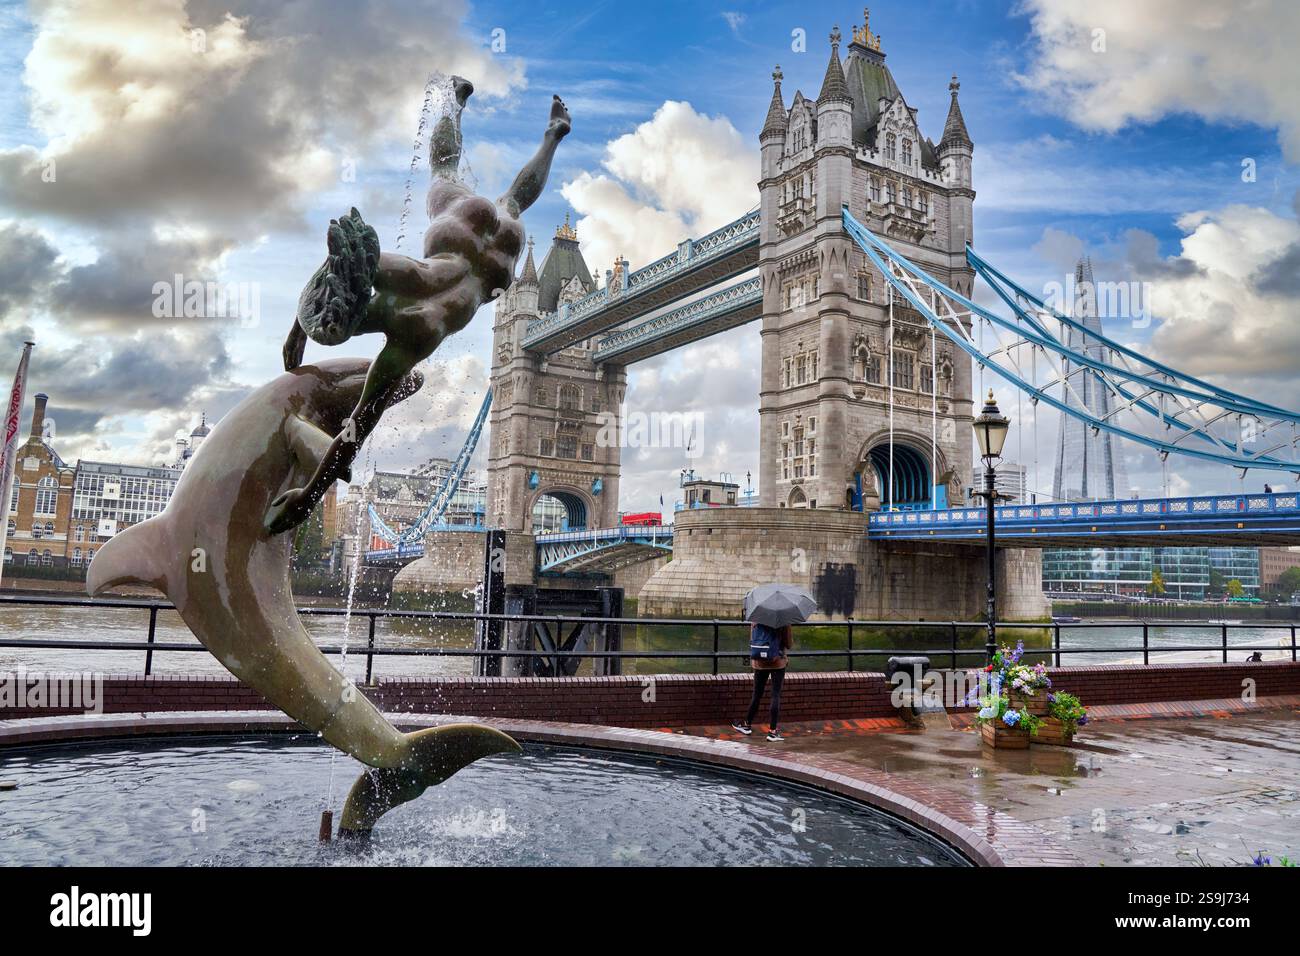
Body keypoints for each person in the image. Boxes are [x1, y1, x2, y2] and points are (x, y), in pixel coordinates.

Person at [267, 77, 572, 534]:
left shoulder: (414, 336)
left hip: (502, 257)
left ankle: (511, 122)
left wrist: (308, 497)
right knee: (455, 177)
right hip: (464, 234)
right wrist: (298, 329)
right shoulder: (395, 272)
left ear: (362, 325)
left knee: (495, 194)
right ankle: (501, 116)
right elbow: (344, 262)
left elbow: (354, 432)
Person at [732, 622, 792, 741]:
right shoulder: (784, 619)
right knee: (775, 695)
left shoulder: (756, 617)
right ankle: (773, 732)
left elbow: (753, 640)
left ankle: (747, 725)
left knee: (757, 695)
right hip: (778, 662)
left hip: (759, 662)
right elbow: (789, 644)